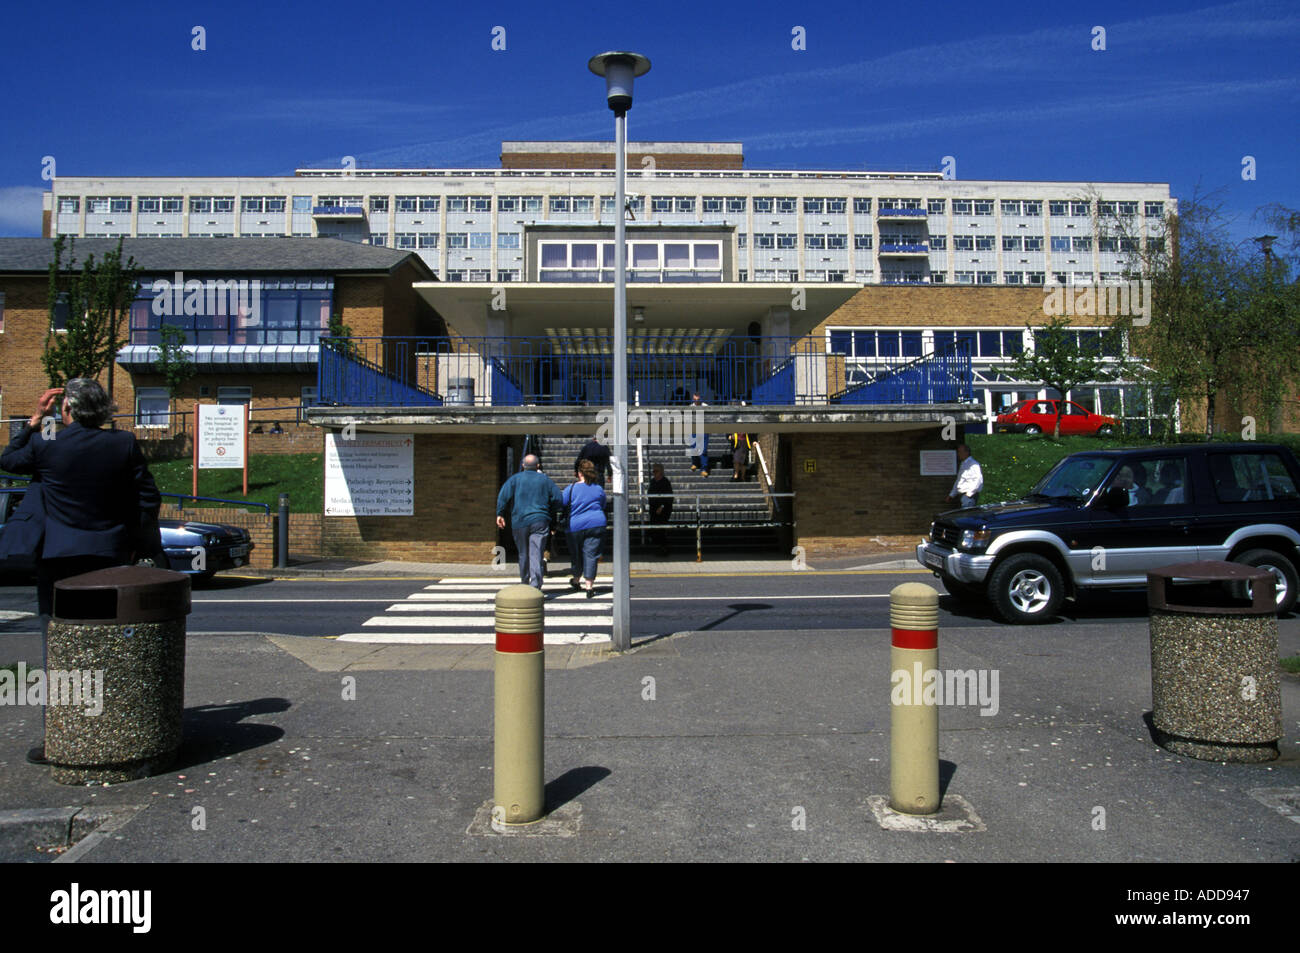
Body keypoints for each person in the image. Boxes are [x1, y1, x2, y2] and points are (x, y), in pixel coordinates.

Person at [0, 380, 164, 766]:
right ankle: (114, 726)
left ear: (67, 411)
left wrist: (34, 419)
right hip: (109, 557)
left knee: (56, 647)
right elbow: (148, 497)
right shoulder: (122, 443)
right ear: (104, 410)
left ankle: (59, 737)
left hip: (58, 559)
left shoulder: (47, 442)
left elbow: (8, 460)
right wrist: (139, 542)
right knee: (109, 644)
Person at [495, 453, 562, 589]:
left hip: (519, 521)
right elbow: (558, 499)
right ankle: (536, 585)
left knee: (523, 553)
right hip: (540, 520)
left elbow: (503, 495)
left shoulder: (515, 479)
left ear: (523, 465)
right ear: (538, 466)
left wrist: (500, 513)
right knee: (536, 553)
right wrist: (550, 509)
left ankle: (524, 582)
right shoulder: (545, 480)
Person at [563, 459, 607, 596]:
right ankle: (589, 586)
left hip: (575, 525)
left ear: (579, 473)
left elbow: (563, 504)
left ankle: (576, 580)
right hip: (596, 523)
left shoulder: (570, 488)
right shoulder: (598, 488)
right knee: (591, 555)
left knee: (576, 554)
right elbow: (603, 504)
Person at [647, 463, 674, 557]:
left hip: (663, 510)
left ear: (661, 472)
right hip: (653, 509)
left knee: (661, 529)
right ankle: (658, 548)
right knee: (654, 529)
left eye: (656, 471)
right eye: (653, 471)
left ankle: (664, 549)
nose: (654, 473)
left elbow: (669, 497)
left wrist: (662, 506)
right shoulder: (652, 482)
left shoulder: (665, 482)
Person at [946, 443, 984, 509]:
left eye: (960, 452)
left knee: (966, 516)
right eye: (958, 452)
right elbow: (959, 480)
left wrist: (969, 494)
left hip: (968, 496)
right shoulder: (963, 464)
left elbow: (978, 480)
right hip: (962, 495)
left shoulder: (973, 464)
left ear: (966, 452)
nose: (958, 454)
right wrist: (951, 495)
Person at [688, 393, 709, 476]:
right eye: (695, 396)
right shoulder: (691, 407)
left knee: (703, 450)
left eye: (698, 396)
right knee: (694, 447)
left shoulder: (705, 406)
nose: (696, 398)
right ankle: (695, 463)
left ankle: (704, 468)